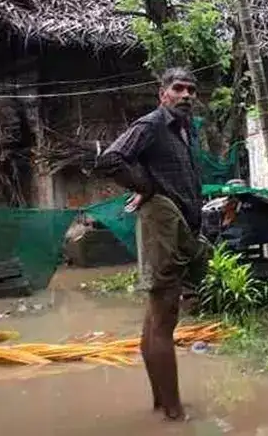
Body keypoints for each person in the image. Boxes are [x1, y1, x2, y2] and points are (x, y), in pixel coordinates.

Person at [93, 67, 204, 421]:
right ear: (163, 94)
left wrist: (150, 184)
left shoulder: (184, 130)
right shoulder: (153, 124)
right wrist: (145, 186)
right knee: (164, 317)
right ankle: (174, 413)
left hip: (179, 224)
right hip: (164, 224)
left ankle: (160, 402)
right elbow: (110, 159)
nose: (186, 95)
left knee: (154, 317)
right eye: (178, 88)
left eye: (191, 90)